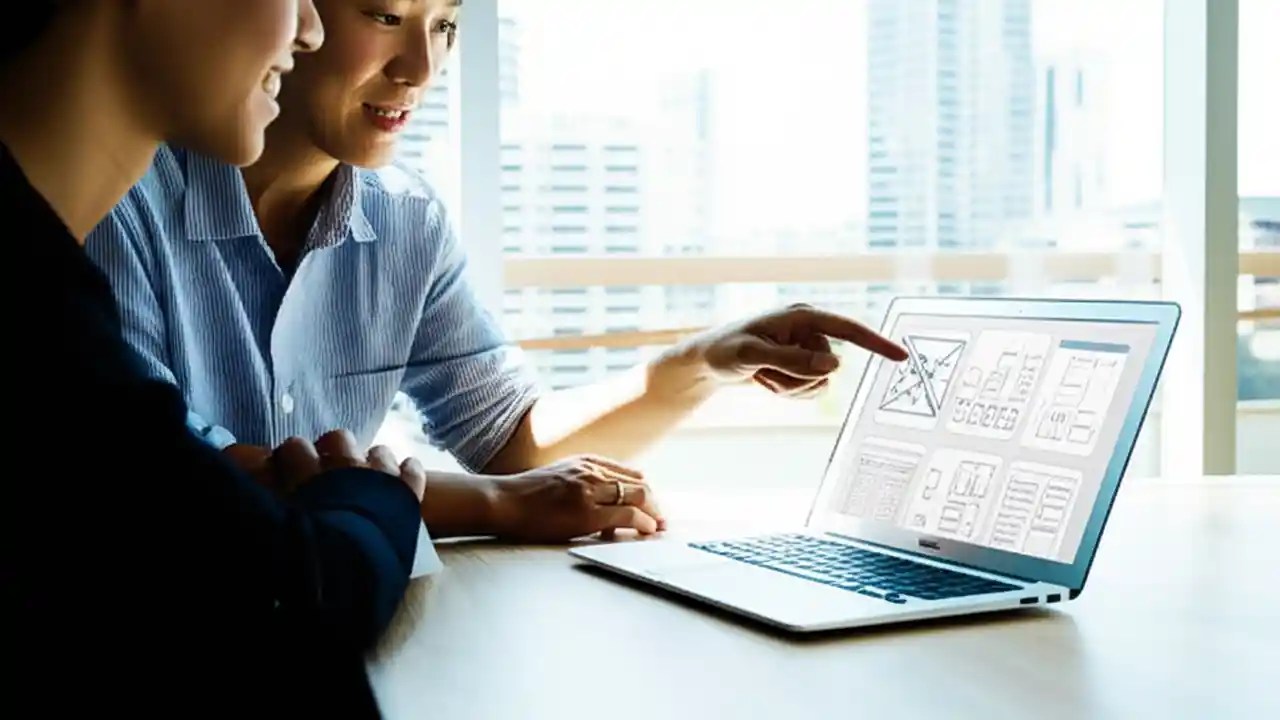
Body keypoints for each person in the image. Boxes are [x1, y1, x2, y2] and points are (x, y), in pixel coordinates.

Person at [85, 0, 909, 544]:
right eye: (386, 13)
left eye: (445, 26)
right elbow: (173, 474)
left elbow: (508, 440)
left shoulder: (406, 222)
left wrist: (704, 366)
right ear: (296, 14)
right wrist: (491, 506)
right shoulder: (117, 198)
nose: (421, 66)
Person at [3, 2, 427, 715]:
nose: (310, 29)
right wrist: (374, 498)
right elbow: (298, 601)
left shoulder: (54, 297)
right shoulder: (34, 328)